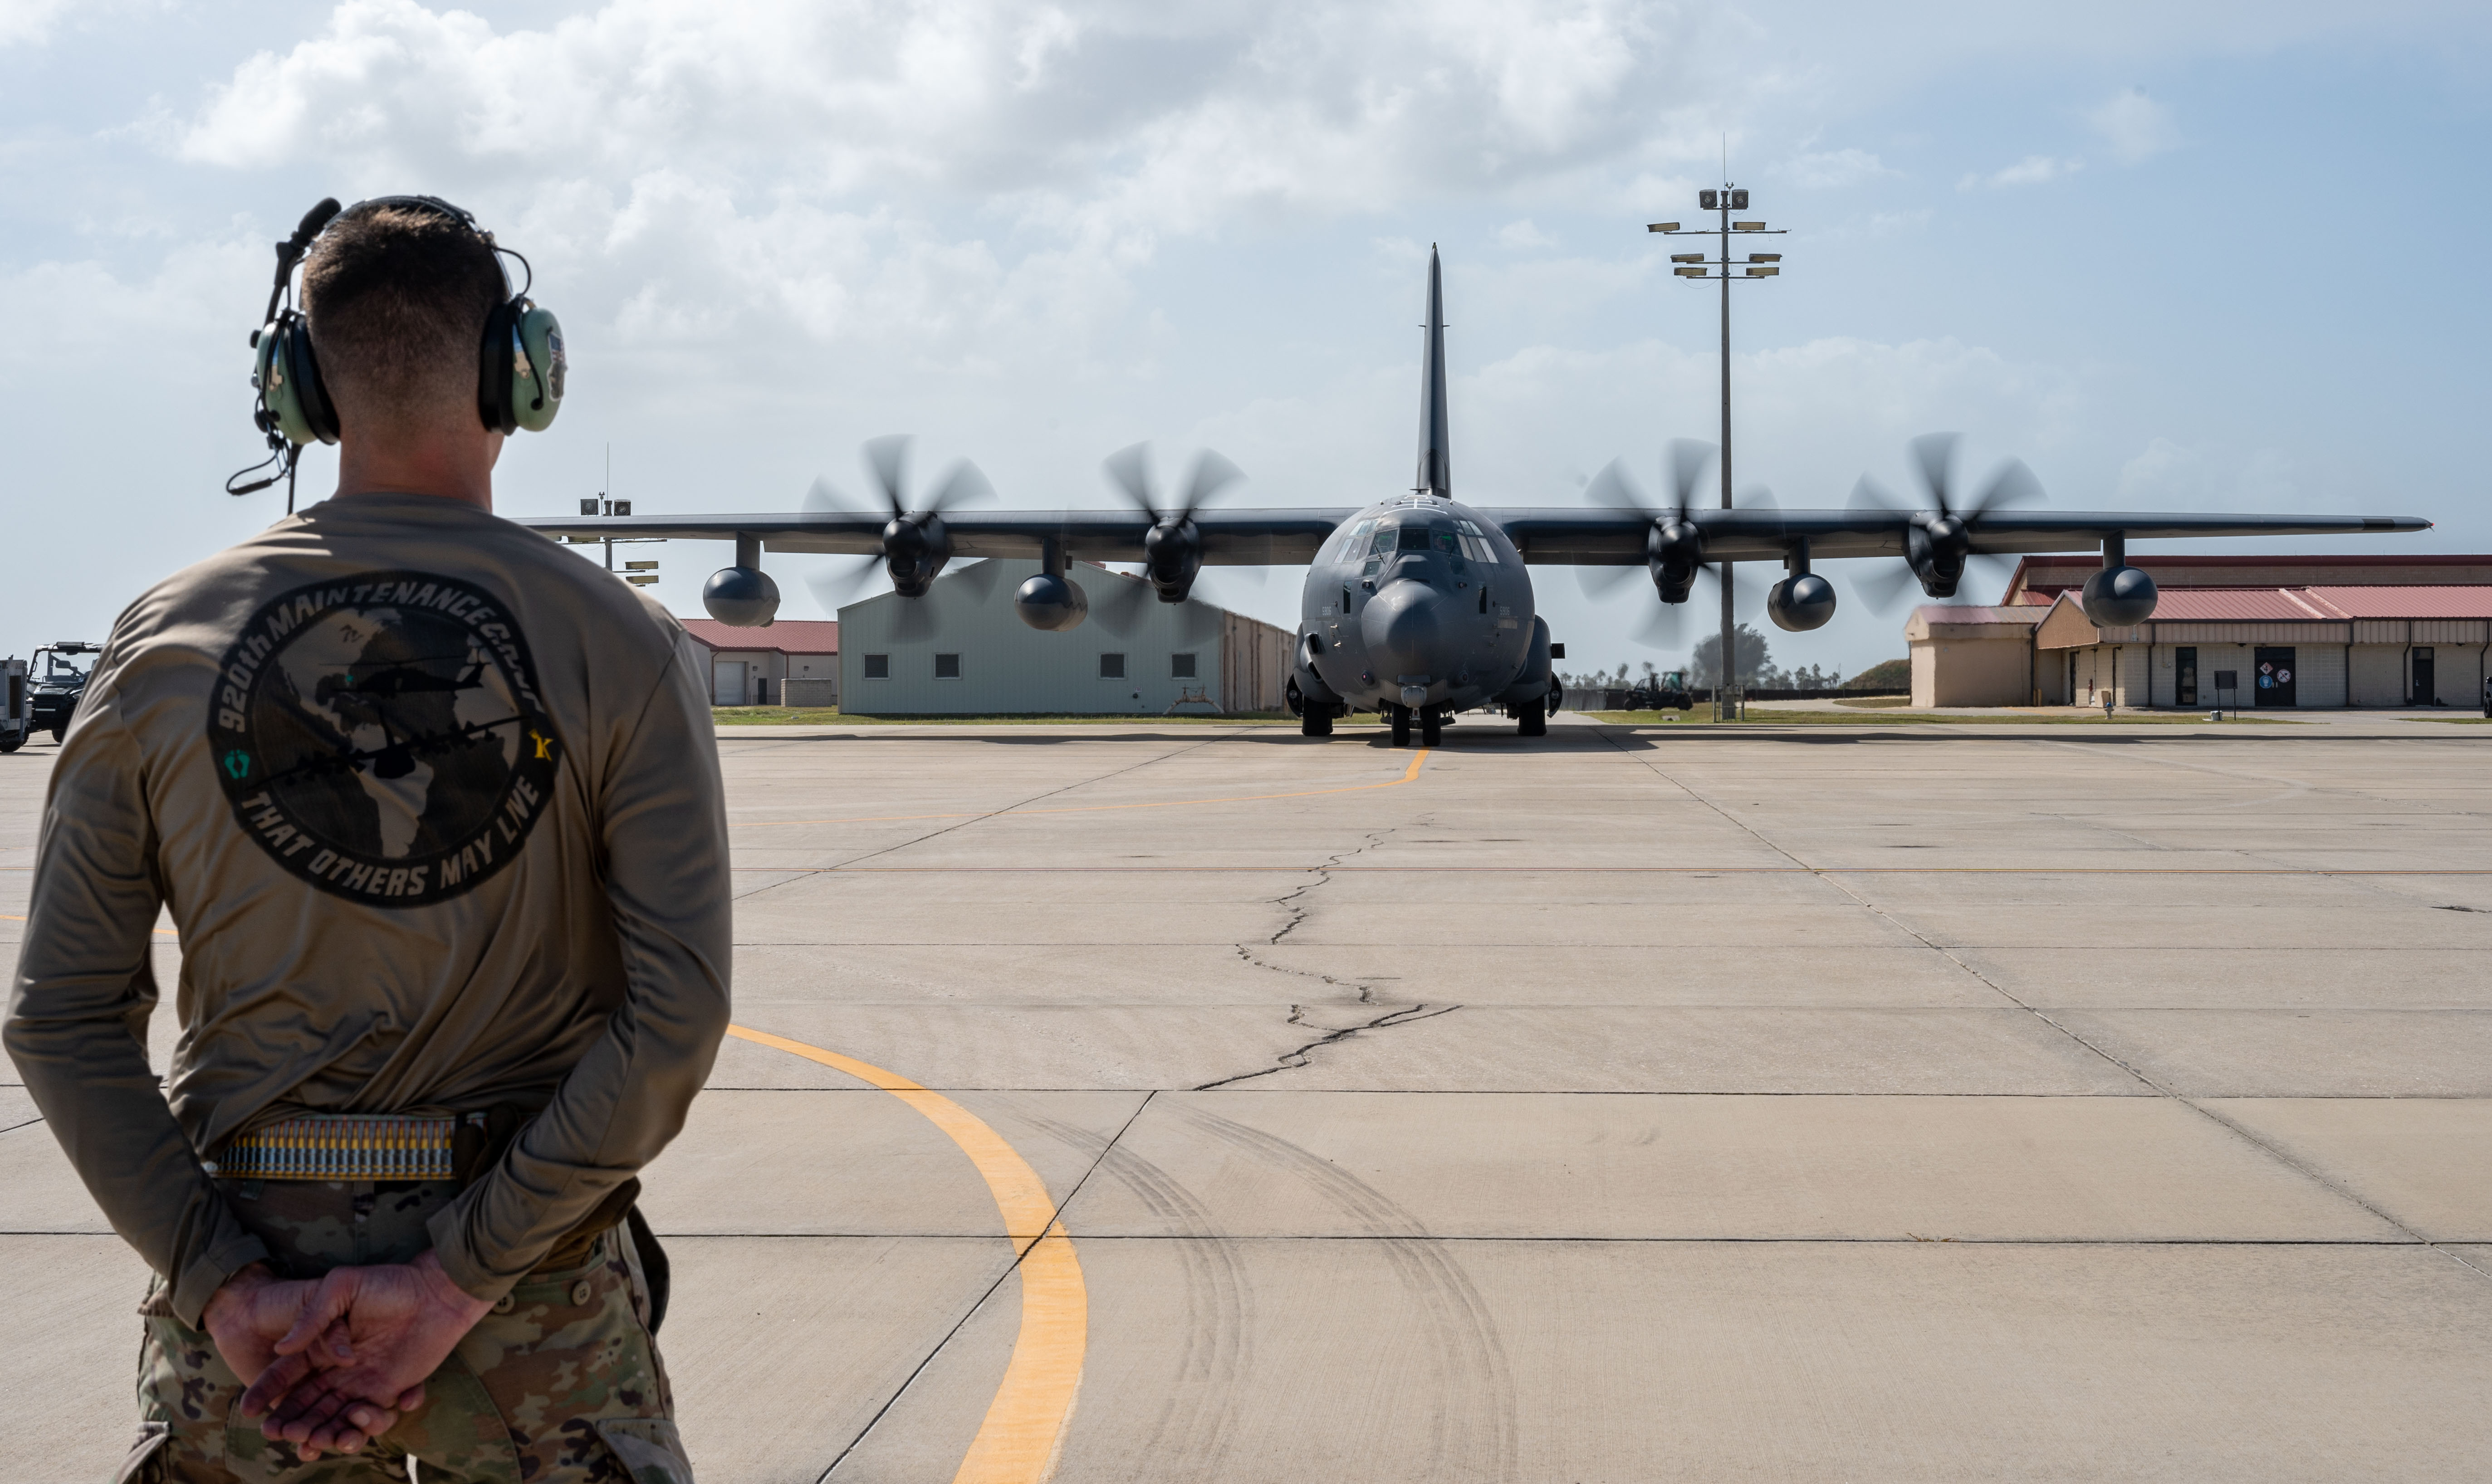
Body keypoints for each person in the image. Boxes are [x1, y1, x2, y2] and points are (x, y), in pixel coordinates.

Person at [5, 196, 731, 1482]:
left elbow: (59, 1013)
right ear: (523, 370)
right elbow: (674, 1015)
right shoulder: (620, 639)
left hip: (250, 1325)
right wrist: (458, 1282)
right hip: (533, 1299)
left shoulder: (160, 643)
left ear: (298, 388)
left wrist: (224, 1288)